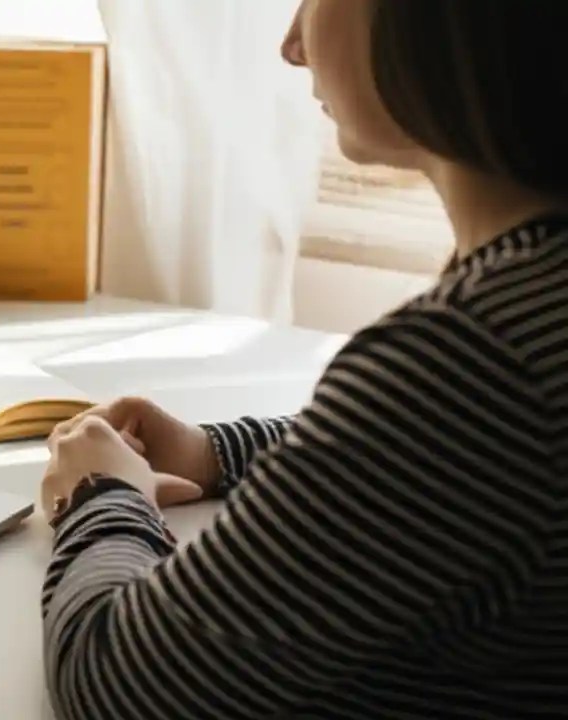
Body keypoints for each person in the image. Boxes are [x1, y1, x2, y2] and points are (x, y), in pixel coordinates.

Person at [39, 1, 568, 717]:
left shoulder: (473, 355)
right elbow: (426, 462)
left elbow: (117, 682)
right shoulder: (528, 304)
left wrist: (100, 496)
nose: (292, 45)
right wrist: (216, 452)